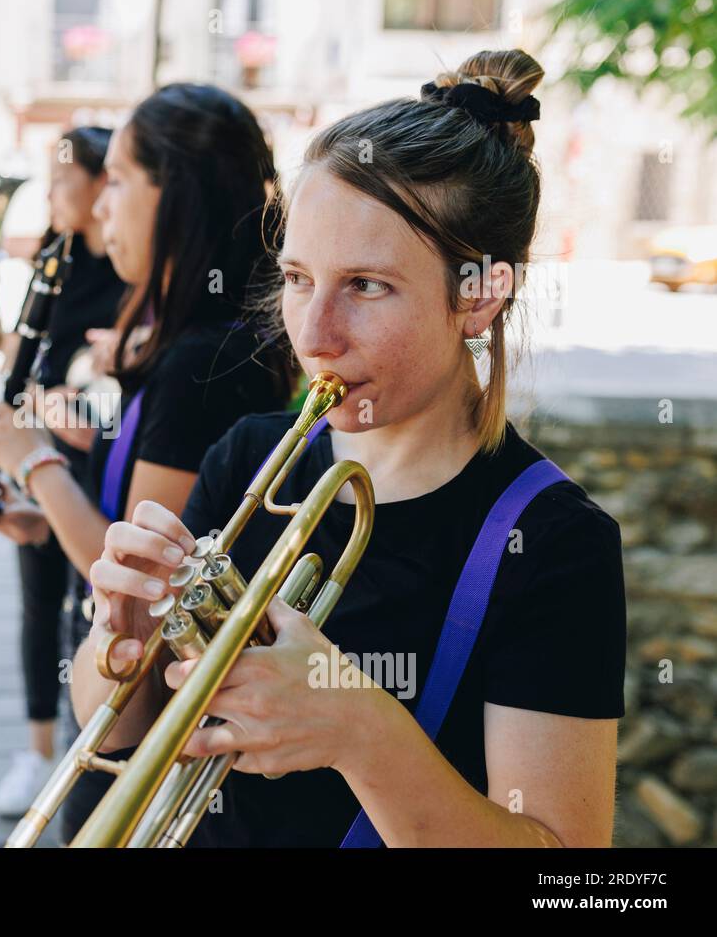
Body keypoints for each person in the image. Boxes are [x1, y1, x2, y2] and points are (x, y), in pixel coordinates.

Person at [79, 50, 627, 846]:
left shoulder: (553, 545)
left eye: (366, 286)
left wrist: (360, 731)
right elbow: (118, 730)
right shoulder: (244, 458)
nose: (315, 335)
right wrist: (114, 642)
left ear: (479, 297)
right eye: (299, 278)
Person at [0, 84, 298, 836]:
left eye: (117, 179)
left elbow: (146, 579)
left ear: (173, 194)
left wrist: (34, 462)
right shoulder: (188, 341)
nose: (99, 204)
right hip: (128, 708)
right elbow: (146, 524)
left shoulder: (209, 360)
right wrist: (44, 518)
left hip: (156, 732)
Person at [0, 127, 127, 816]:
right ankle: (37, 748)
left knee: (101, 602)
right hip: (45, 453)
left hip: (106, 457)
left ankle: (94, 746)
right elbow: (21, 354)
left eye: (61, 181)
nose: (50, 195)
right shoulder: (55, 254)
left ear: (104, 183)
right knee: (40, 594)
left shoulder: (136, 269)